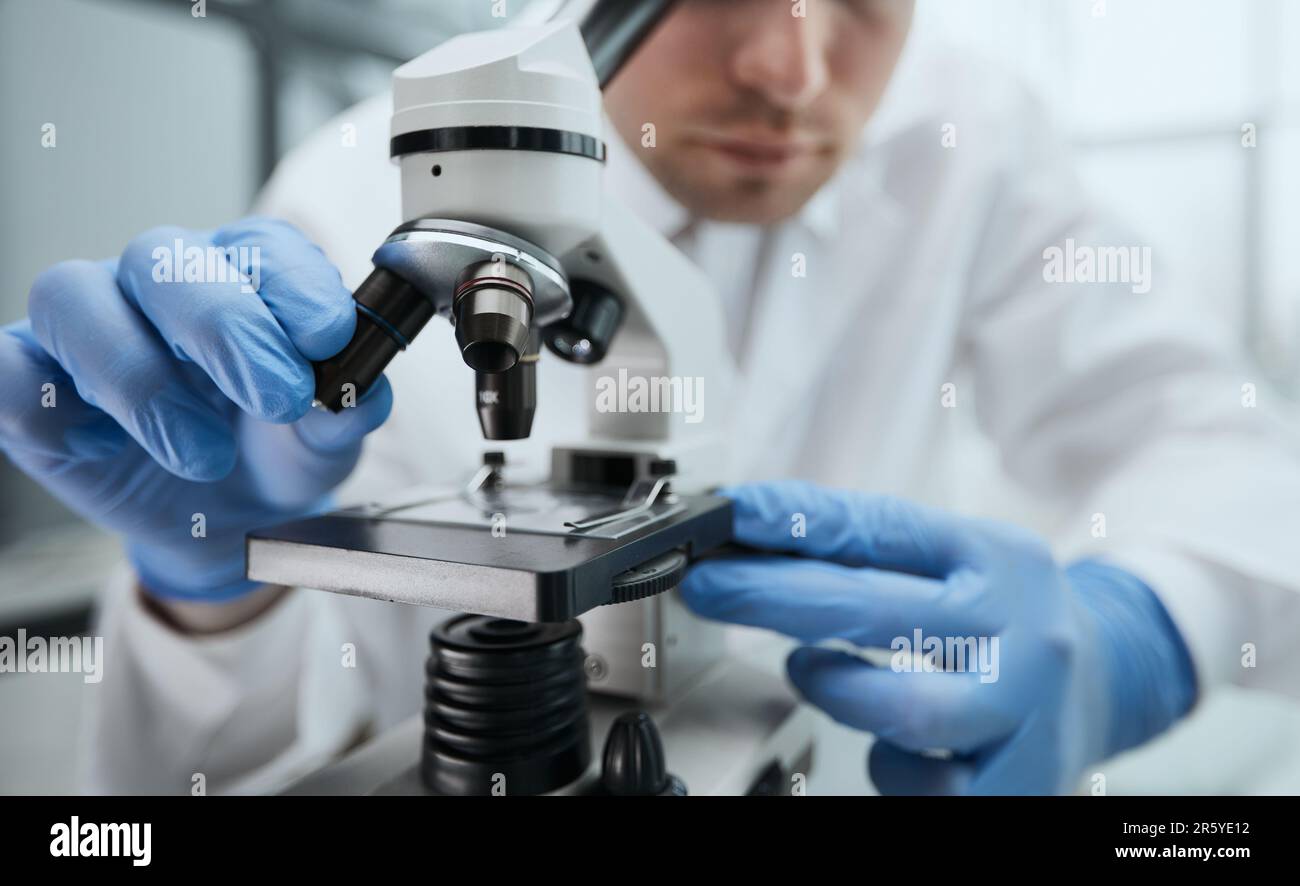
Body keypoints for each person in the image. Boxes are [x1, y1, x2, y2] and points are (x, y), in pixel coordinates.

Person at [2, 0, 1297, 794]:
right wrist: (207, 594)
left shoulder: (971, 142)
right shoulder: (358, 185)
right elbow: (212, 778)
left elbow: (1223, 452)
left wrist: (1147, 624)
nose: (792, 66)